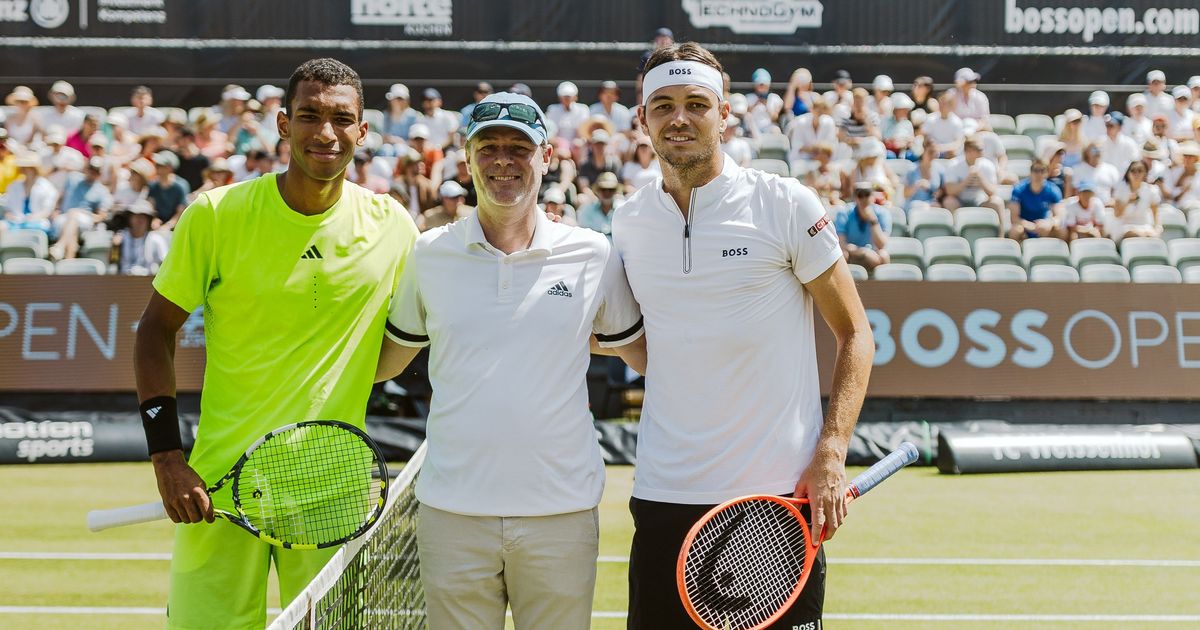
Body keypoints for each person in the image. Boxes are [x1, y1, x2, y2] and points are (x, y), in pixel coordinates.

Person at [132, 58, 419, 630]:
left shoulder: (393, 226)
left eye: (342, 119)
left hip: (332, 498)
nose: (326, 133)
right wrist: (167, 456)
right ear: (284, 124)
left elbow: (433, 315)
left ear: (363, 132)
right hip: (217, 489)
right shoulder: (216, 215)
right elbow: (153, 331)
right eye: (309, 116)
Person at [614, 42, 874, 630]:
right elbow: (645, 347)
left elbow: (856, 334)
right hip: (663, 496)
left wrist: (831, 450)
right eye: (664, 106)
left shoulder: (784, 203)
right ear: (643, 118)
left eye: (696, 104)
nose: (679, 118)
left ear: (724, 114)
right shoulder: (628, 221)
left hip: (775, 502)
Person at [375, 91, 645, 630]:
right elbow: (384, 362)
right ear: (467, 158)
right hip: (452, 513)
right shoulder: (428, 255)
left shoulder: (594, 253)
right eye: (489, 146)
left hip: (561, 514)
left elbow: (647, 357)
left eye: (519, 148)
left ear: (546, 158)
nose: (503, 160)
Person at [50, 156, 112, 260]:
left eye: (95, 171)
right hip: (63, 218)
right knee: (72, 229)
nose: (92, 173)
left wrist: (83, 214)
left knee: (74, 216)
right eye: (90, 169)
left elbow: (102, 215)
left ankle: (60, 246)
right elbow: (60, 197)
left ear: (100, 174)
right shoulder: (72, 178)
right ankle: (68, 263)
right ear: (86, 168)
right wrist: (55, 210)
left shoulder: (102, 191)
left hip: (85, 220)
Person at [835, 182, 892, 270]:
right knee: (842, 255)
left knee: (884, 255)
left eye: (867, 194)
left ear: (873, 196)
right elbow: (842, 244)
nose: (864, 198)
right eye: (860, 195)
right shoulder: (844, 212)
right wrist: (862, 252)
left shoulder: (883, 213)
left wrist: (873, 220)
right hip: (852, 253)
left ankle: (883, 284)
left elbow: (881, 245)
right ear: (855, 197)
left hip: (873, 254)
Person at [943, 136, 1002, 217]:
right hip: (960, 201)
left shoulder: (988, 165)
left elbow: (992, 192)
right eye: (979, 149)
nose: (982, 151)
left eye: (982, 148)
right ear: (968, 151)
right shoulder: (954, 164)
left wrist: (980, 177)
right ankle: (955, 229)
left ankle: (1000, 230)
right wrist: (967, 181)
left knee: (997, 202)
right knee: (949, 201)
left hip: (980, 202)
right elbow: (950, 191)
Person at [1008, 159, 1063, 240]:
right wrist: (1029, 225)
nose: (1039, 174)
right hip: (1025, 226)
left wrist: (1049, 223)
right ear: (1030, 172)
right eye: (1036, 170)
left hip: (1044, 226)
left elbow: (1059, 216)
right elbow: (1014, 218)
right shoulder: (1019, 189)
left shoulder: (1053, 190)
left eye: (1042, 170)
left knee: (1061, 230)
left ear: (1047, 173)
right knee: (1016, 230)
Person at [114, 200, 171, 274]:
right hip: (123, 281)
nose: (139, 221)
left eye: (143, 217)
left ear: (149, 221)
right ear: (130, 219)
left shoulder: (156, 239)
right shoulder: (121, 238)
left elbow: (165, 264)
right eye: (136, 217)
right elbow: (112, 261)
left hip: (147, 281)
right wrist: (115, 246)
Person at [1110, 160, 1162, 241]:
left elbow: (1155, 213)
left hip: (1144, 226)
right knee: (1136, 235)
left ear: (1145, 173)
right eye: (1133, 171)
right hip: (1124, 226)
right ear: (1128, 173)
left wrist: (1157, 228)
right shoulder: (1121, 189)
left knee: (1151, 235)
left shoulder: (1151, 190)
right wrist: (1128, 202)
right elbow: (1117, 214)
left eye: (1140, 171)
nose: (1136, 174)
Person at [147, 150, 191, 229]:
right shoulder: (152, 185)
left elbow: (181, 210)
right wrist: (154, 219)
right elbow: (151, 205)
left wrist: (168, 225)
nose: (157, 167)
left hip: (175, 228)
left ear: (170, 168)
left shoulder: (181, 186)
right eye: (156, 164)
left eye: (160, 165)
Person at [577, 171, 623, 237]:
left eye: (611, 189)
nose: (607, 192)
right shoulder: (587, 210)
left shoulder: (622, 209)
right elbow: (583, 236)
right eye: (603, 189)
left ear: (616, 191)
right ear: (598, 191)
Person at [904, 141, 944, 209]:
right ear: (923, 151)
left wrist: (940, 193)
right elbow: (905, 194)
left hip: (932, 204)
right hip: (914, 204)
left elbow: (943, 190)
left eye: (936, 152)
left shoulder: (940, 169)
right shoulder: (912, 169)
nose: (933, 155)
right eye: (930, 152)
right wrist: (917, 185)